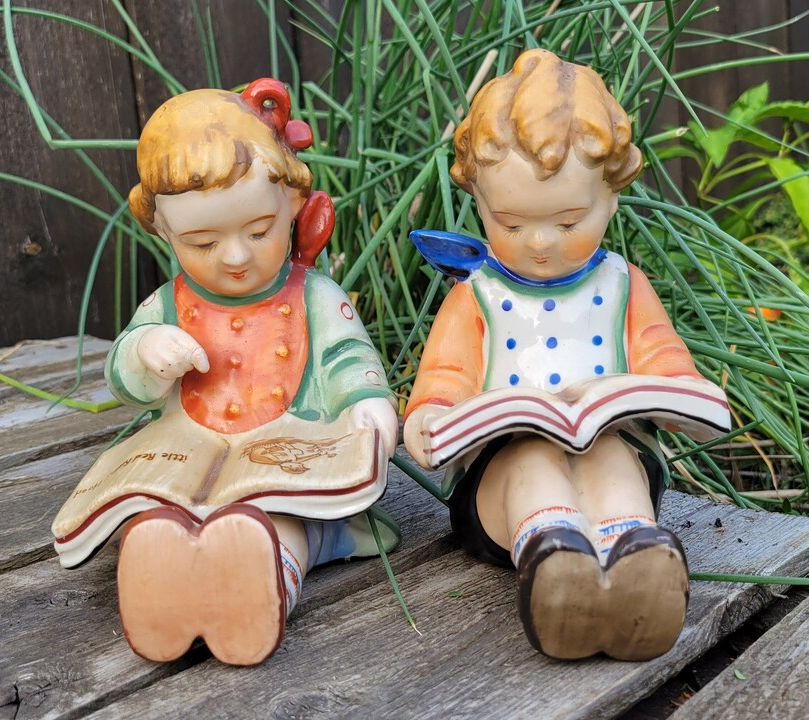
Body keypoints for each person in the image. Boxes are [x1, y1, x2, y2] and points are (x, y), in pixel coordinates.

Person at [403, 49, 716, 661]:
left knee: (613, 465)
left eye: (569, 220)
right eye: (511, 223)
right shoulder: (477, 297)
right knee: (532, 467)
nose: (541, 243)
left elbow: (661, 353)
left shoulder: (624, 285)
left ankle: (638, 563)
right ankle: (556, 568)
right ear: (480, 202)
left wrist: (682, 395)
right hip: (500, 485)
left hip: (608, 443)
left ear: (611, 200)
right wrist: (430, 418)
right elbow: (444, 375)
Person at [98, 83, 398, 665]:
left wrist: (367, 403)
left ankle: (264, 587)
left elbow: (346, 357)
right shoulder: (166, 304)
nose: (235, 257)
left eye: (259, 230)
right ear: (162, 230)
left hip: (291, 457)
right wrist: (143, 354)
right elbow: (124, 372)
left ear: (291, 203)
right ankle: (168, 592)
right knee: (167, 514)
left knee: (271, 516)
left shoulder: (314, 296)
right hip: (192, 460)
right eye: (202, 241)